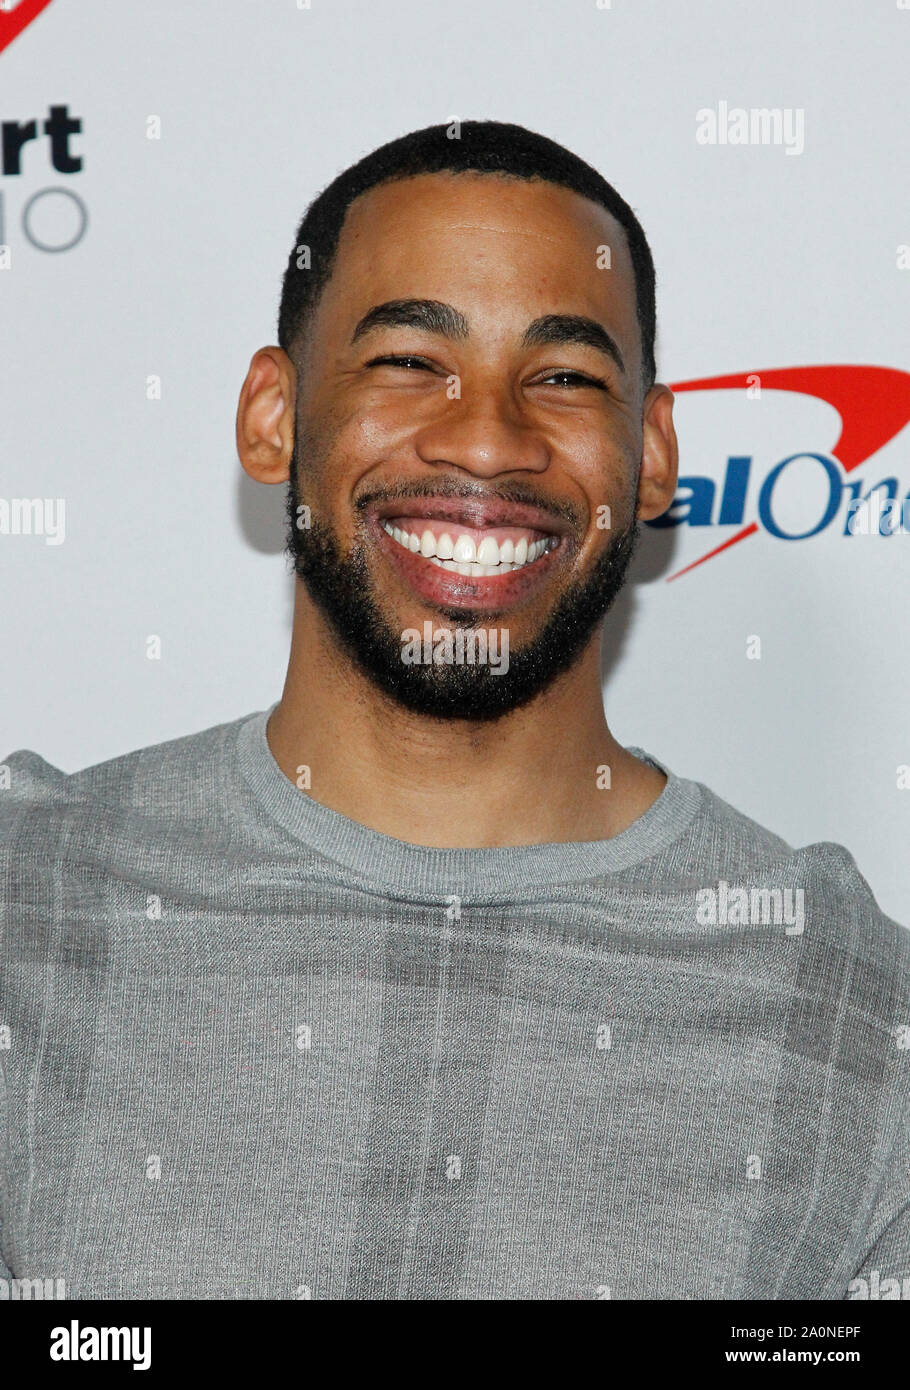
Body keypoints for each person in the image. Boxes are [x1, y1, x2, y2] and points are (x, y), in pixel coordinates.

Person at [1, 121, 907, 1301]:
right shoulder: (30, 908)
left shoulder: (849, 1011)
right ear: (273, 417)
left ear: (650, 451)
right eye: (406, 361)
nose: (486, 436)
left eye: (566, 377)